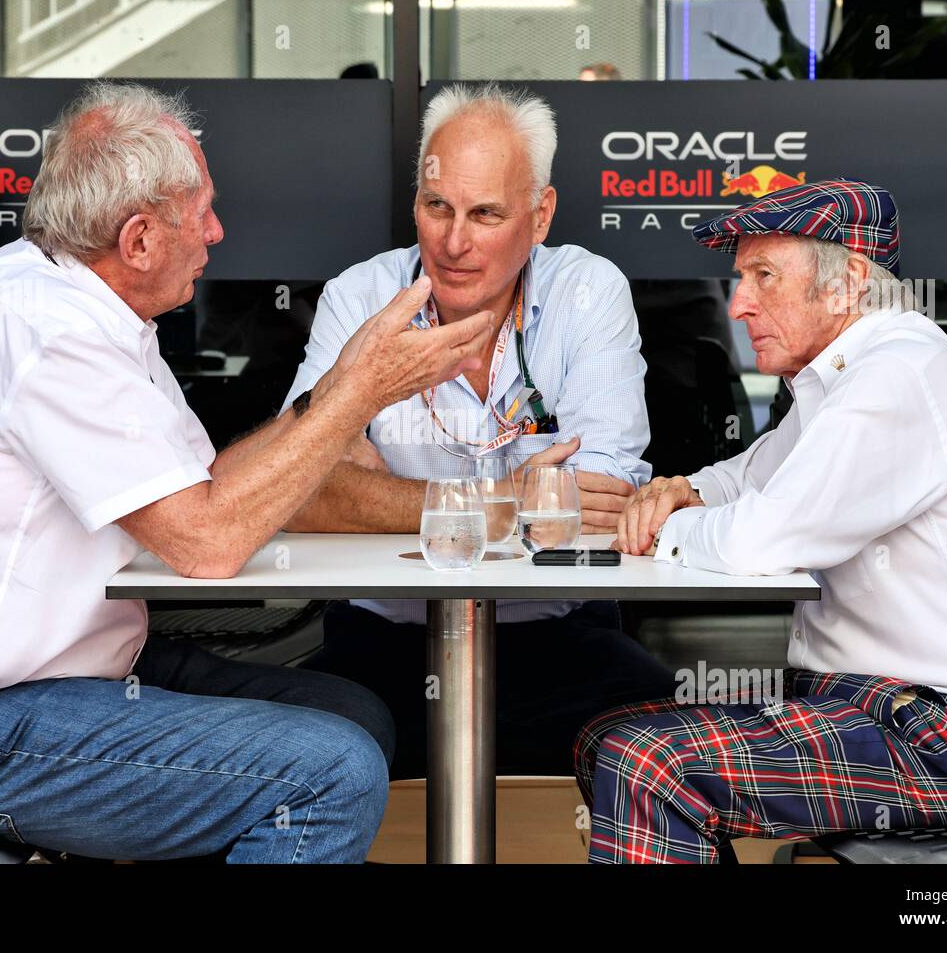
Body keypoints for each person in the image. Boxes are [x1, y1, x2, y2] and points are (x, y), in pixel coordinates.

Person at [0, 81, 493, 863]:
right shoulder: (48, 332)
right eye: (202, 210)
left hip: (68, 675)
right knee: (334, 770)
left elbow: (206, 480)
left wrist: (335, 390)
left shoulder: (83, 300)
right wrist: (357, 396)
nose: (217, 230)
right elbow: (206, 541)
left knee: (357, 714)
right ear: (139, 239)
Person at [578, 178, 947, 863]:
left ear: (846, 288)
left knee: (649, 764)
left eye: (763, 276)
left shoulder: (897, 376)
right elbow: (742, 480)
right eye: (739, 278)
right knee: (606, 736)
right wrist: (678, 491)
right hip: (890, 707)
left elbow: (759, 538)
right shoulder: (843, 379)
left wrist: (654, 527)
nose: (738, 302)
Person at [281, 82, 677, 779]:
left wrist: (379, 495)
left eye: (486, 214)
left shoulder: (588, 292)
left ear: (540, 214)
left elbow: (601, 498)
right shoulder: (360, 297)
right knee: (315, 752)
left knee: (660, 748)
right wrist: (508, 503)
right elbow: (298, 485)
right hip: (383, 644)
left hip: (560, 642)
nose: (454, 242)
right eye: (438, 207)